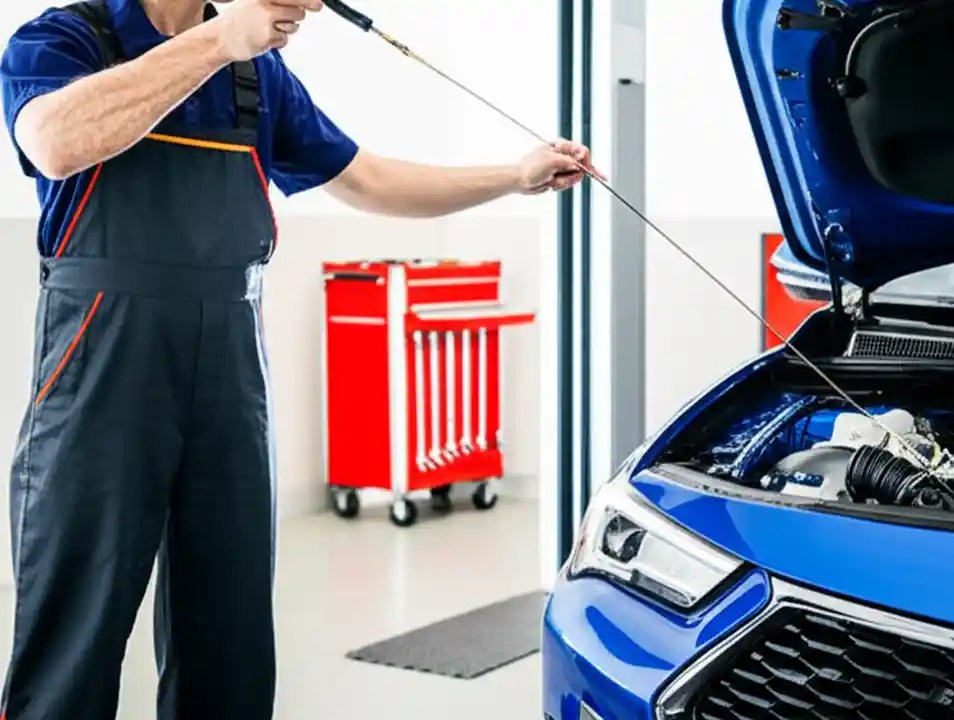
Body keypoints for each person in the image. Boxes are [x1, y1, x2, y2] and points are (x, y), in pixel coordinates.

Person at [0, 0, 597, 718]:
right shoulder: (67, 39)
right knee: (75, 633)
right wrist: (221, 40)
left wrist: (514, 177)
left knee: (230, 633)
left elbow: (368, 179)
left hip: (228, 361)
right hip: (100, 359)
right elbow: (52, 142)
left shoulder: (260, 78)